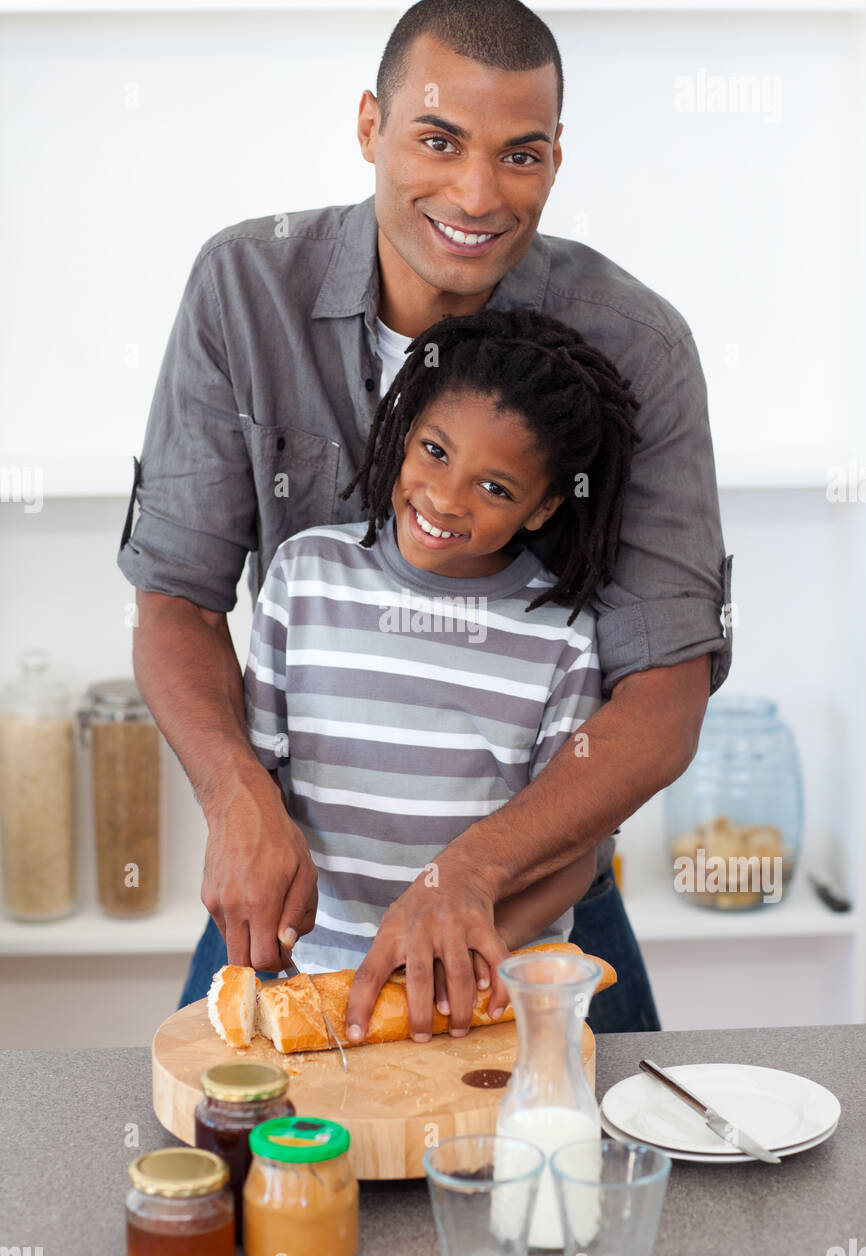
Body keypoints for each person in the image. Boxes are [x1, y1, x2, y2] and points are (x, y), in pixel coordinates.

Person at [118, 0, 732, 1036]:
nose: (476, 192)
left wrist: (471, 874)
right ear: (369, 126)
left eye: (520, 154)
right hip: (300, 908)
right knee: (219, 1167)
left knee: (599, 1185)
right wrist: (237, 804)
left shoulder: (637, 346)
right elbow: (174, 597)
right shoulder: (243, 286)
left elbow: (662, 694)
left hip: (534, 907)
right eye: (437, 140)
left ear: (554, 157)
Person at [188, 308, 641, 1038]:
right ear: (402, 434)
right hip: (316, 986)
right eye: (434, 451)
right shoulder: (305, 576)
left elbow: (570, 855)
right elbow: (261, 783)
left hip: (481, 1002)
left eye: (496, 489)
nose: (445, 497)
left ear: (545, 507)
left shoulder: (561, 638)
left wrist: (455, 947)